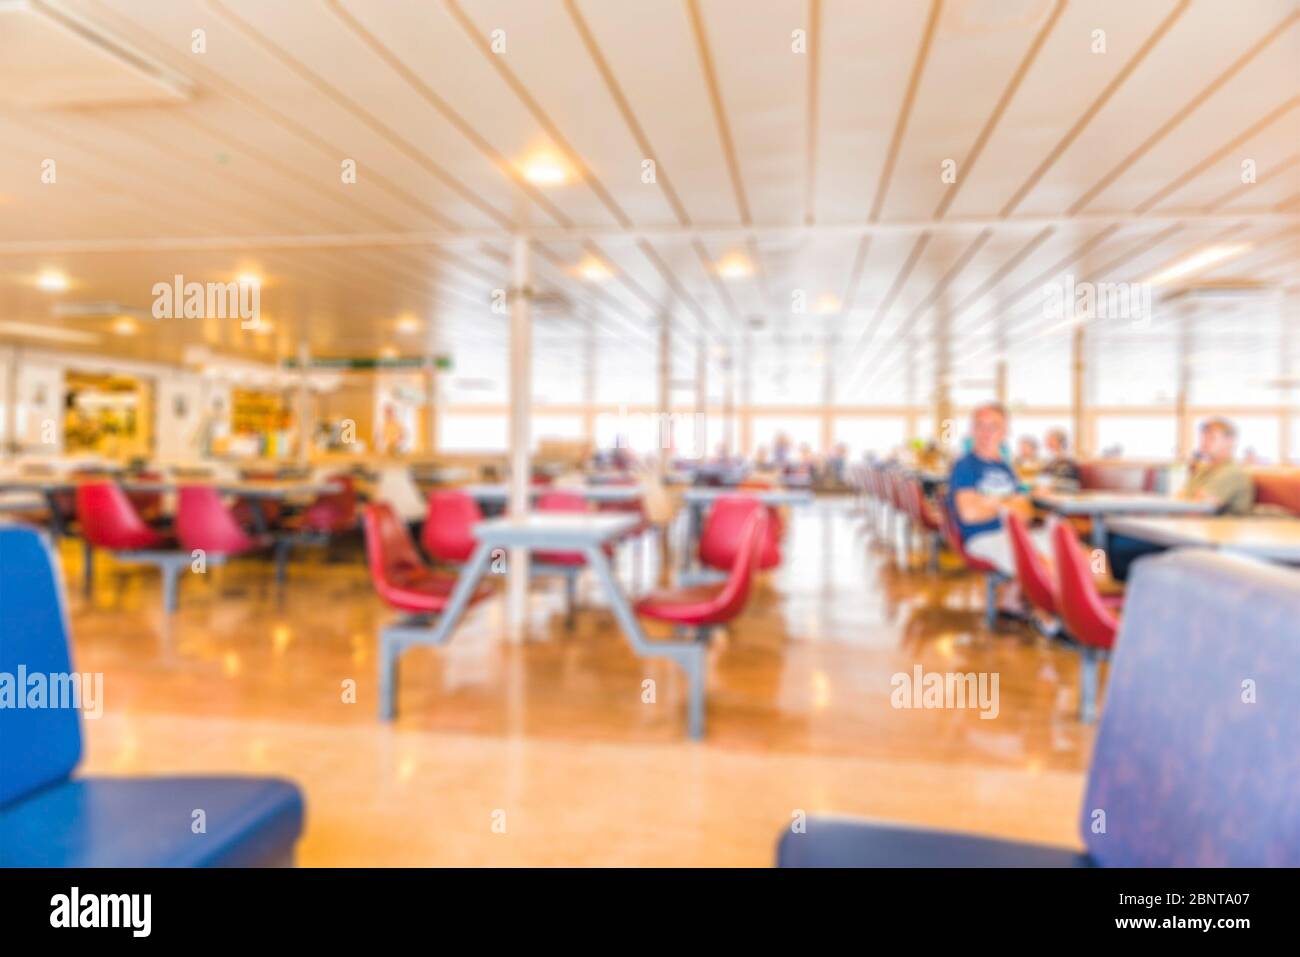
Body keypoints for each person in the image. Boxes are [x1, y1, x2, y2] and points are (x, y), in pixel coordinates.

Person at [948, 402, 1048, 580]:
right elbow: (970, 513)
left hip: (1018, 533)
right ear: (971, 431)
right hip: (985, 538)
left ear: (1005, 432)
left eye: (993, 426)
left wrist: (990, 501)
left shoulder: (1005, 467)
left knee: (1091, 554)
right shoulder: (964, 465)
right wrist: (1009, 502)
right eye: (980, 426)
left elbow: (1026, 512)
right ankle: (1077, 603)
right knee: (1047, 566)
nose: (986, 433)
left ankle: (1103, 598)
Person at [1183, 417, 1254, 515]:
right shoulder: (1203, 469)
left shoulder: (1232, 473)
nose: (1204, 442)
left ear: (1230, 441)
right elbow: (1182, 498)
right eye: (1202, 437)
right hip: (1196, 526)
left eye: (1211, 437)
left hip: (1219, 528)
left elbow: (1196, 511)